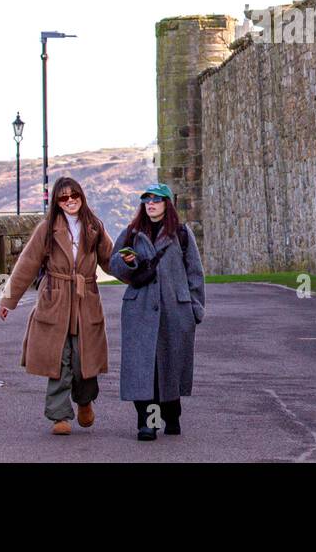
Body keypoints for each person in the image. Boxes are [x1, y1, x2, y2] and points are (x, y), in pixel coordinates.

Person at [0, 176, 113, 435]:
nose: (70, 200)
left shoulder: (94, 226)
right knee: (59, 359)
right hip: (55, 299)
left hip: (86, 299)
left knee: (84, 359)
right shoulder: (47, 228)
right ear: (57, 202)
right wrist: (8, 299)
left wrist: (135, 272)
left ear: (81, 197)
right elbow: (27, 264)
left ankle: (85, 401)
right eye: (64, 197)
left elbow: (110, 259)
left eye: (74, 195)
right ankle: (59, 415)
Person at [109, 183, 205, 441]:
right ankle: (148, 424)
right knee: (143, 370)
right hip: (139, 311)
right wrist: (127, 263)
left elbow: (195, 273)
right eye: (146, 200)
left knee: (169, 368)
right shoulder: (131, 233)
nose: (150, 204)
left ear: (167, 203)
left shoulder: (181, 234)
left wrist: (195, 309)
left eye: (156, 199)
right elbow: (114, 265)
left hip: (174, 311)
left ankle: (172, 415)